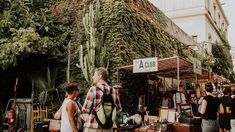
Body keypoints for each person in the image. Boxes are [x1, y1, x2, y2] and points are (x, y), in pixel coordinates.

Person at [82, 67, 122, 132]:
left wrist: (89, 120)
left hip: (93, 127)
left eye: (94, 75)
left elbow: (85, 110)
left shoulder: (93, 89)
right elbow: (118, 109)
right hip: (108, 128)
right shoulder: (114, 91)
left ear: (100, 76)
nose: (93, 77)